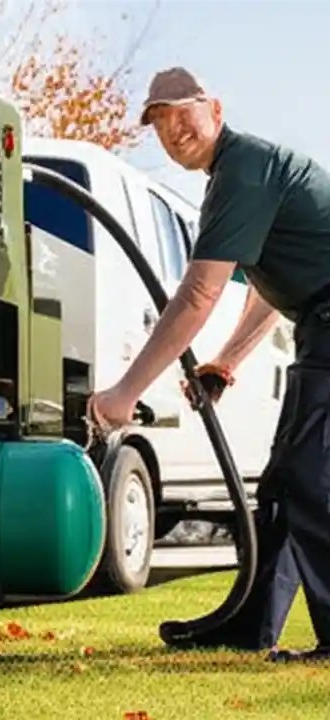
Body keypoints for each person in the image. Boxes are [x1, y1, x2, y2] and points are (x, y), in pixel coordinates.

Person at [89, 66, 330, 661]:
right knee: (280, 487)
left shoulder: (243, 169)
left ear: (214, 109)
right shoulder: (237, 177)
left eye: (182, 114)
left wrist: (125, 391)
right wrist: (227, 359)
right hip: (318, 327)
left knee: (311, 481)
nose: (173, 131)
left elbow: (198, 295)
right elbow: (270, 288)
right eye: (160, 124)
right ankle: (249, 625)